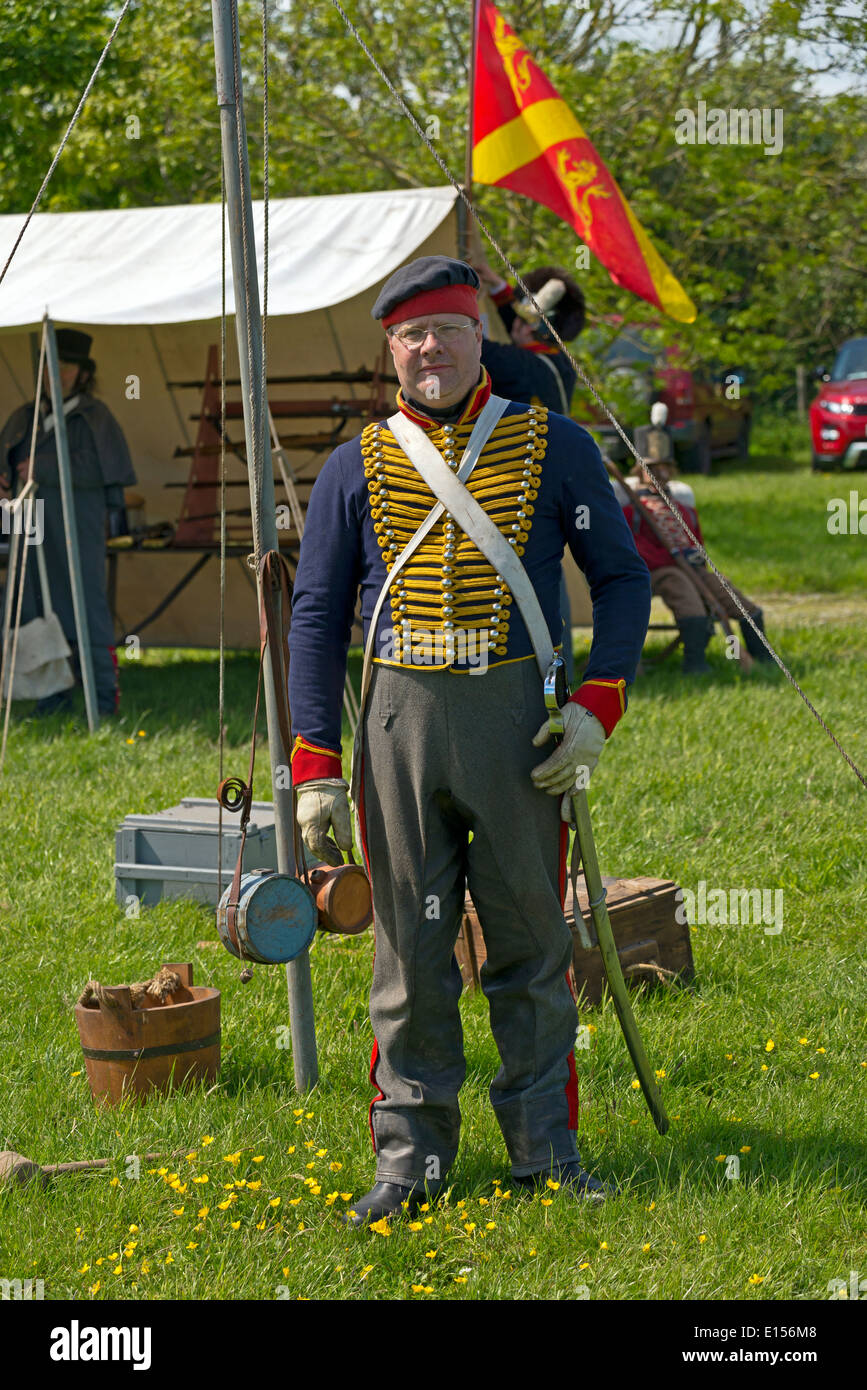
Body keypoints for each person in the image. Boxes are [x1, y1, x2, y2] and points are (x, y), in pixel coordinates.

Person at [287, 256, 650, 1223]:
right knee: (408, 950)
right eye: (411, 334)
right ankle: (409, 1164)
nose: (431, 348)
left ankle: (545, 1154)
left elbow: (621, 579)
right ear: (389, 349)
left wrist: (597, 706)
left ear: (475, 336)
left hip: (516, 718)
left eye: (448, 328)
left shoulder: (552, 443)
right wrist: (315, 763)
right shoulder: (354, 463)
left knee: (531, 942)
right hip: (398, 723)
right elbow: (317, 613)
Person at [0, 328, 136, 715]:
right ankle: (51, 696)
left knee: (85, 608)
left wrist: (39, 466)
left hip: (77, 526)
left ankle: (103, 700)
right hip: (32, 525)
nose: (56, 375)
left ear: (82, 373)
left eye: (66, 367)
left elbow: (101, 467)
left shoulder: (95, 416)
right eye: (50, 366)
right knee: (36, 606)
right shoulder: (24, 418)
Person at [471, 249, 586, 682]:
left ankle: (548, 680)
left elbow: (475, 344)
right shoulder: (552, 361)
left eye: (521, 318)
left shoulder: (522, 365)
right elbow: (518, 321)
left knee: (535, 590)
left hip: (522, 492)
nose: (514, 323)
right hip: (539, 489)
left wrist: (473, 295)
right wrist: (497, 287)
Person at [618, 405, 772, 674]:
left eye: (665, 467)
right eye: (652, 468)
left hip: (693, 567)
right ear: (640, 471)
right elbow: (634, 548)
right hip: (659, 571)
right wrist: (672, 560)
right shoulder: (631, 510)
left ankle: (763, 657)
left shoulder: (684, 508)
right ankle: (695, 663)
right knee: (683, 593)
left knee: (732, 596)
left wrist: (695, 557)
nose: (660, 473)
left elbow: (696, 541)